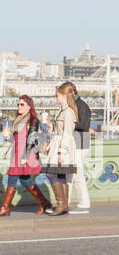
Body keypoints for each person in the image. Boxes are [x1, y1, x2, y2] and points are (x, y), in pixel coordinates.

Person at [1, 96, 51, 215]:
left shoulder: (32, 120)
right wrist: (8, 137)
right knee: (24, 179)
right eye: (18, 104)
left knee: (13, 177)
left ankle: (5, 208)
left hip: (25, 154)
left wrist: (25, 156)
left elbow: (32, 139)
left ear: (29, 106)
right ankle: (45, 203)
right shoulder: (18, 119)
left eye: (22, 104)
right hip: (17, 153)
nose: (19, 106)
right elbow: (15, 140)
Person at [42, 83, 79, 216]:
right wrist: (51, 126)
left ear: (64, 96)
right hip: (58, 143)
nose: (55, 97)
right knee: (60, 174)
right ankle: (64, 205)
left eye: (57, 95)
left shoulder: (68, 112)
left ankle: (61, 204)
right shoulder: (62, 110)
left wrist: (61, 152)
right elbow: (60, 130)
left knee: (50, 173)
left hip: (63, 146)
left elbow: (67, 133)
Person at [69, 86, 92, 214]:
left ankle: (83, 203)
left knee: (77, 174)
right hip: (77, 142)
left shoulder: (82, 105)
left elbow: (83, 125)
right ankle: (65, 202)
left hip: (80, 143)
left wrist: (68, 122)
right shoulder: (75, 105)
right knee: (71, 174)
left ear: (73, 92)